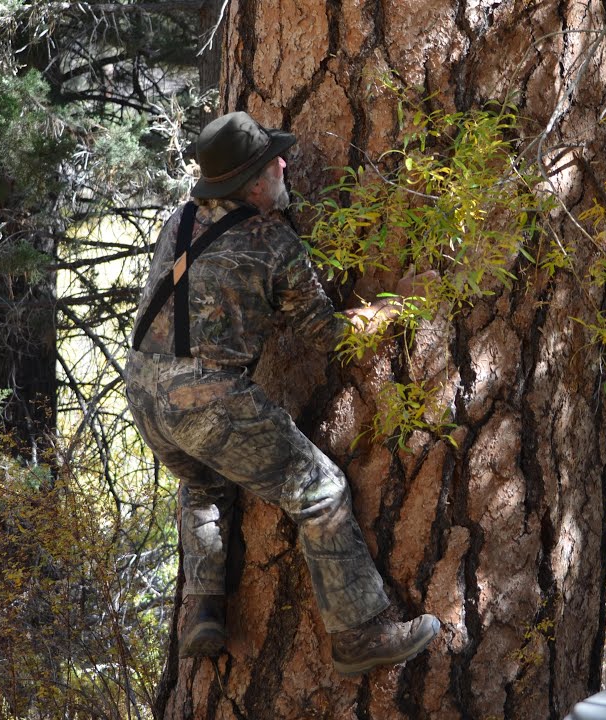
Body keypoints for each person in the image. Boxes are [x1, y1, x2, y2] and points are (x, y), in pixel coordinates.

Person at [124, 110, 440, 676]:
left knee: (201, 485)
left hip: (143, 390)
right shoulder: (274, 241)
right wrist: (399, 307)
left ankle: (203, 610)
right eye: (275, 163)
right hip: (207, 398)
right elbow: (329, 335)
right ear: (254, 182)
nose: (285, 165)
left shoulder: (182, 217)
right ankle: (361, 635)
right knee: (321, 494)